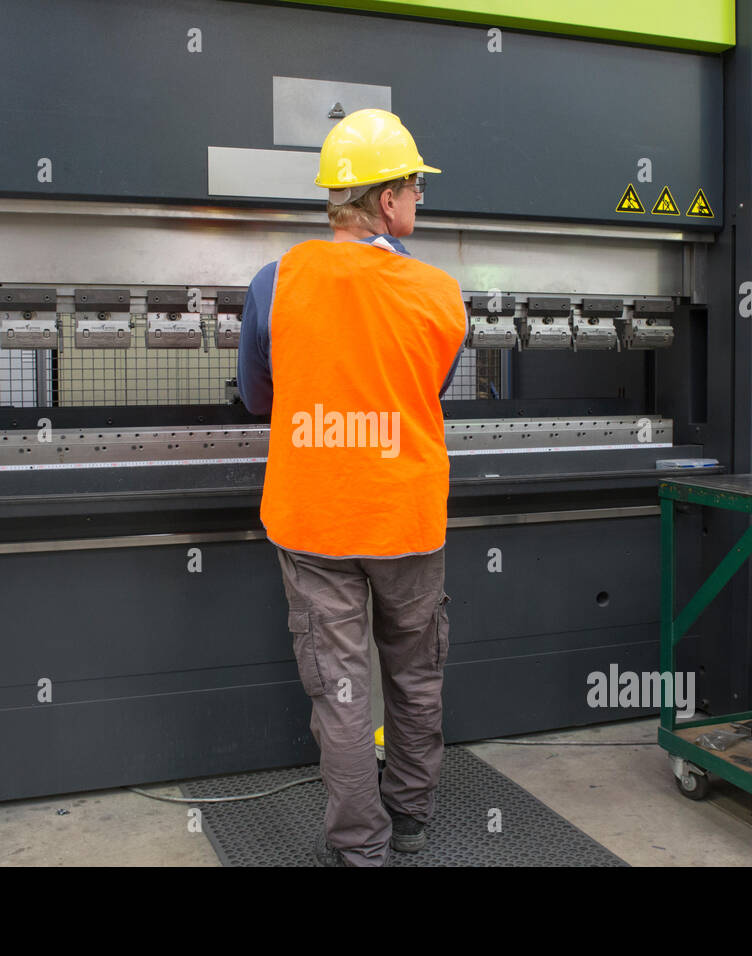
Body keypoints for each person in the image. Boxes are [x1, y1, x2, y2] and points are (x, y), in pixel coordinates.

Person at [237, 109, 468, 867]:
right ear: (391, 198)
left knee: (341, 694)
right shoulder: (439, 292)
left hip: (315, 522)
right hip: (405, 518)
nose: (418, 205)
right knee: (414, 677)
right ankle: (410, 820)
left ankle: (358, 850)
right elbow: (418, 388)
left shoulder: (276, 279)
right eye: (416, 191)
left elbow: (257, 396)